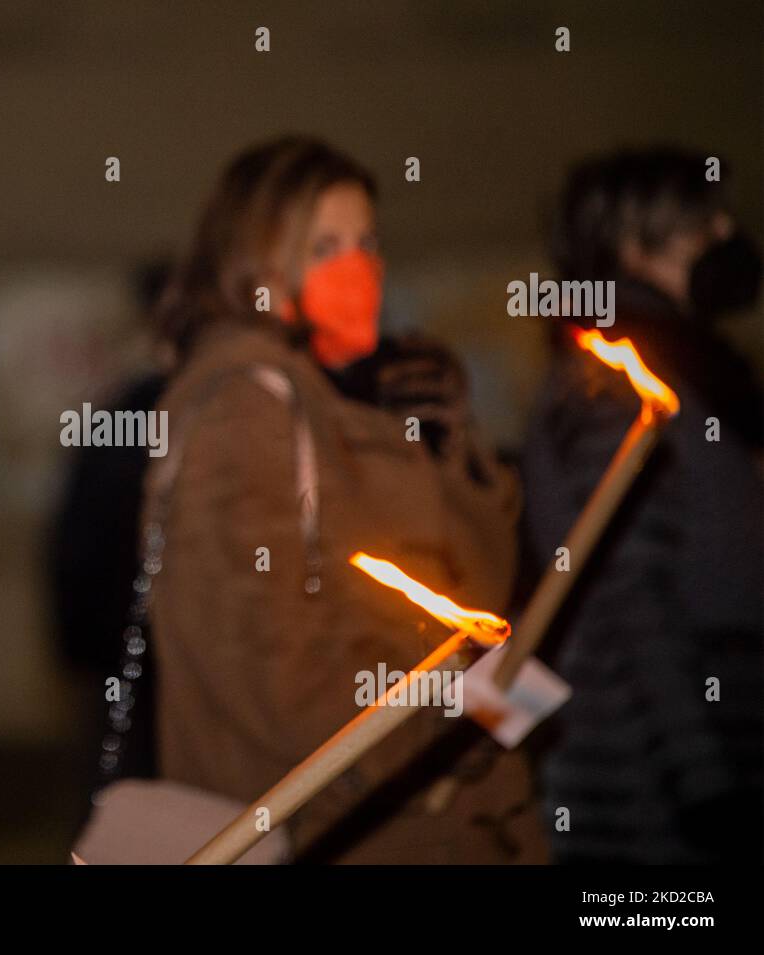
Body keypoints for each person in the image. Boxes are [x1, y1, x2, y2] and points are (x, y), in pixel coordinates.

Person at [145, 135, 546, 863]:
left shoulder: (344, 397)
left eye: (367, 240)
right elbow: (274, 668)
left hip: (425, 805)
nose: (357, 266)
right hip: (361, 825)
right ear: (253, 263)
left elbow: (474, 588)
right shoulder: (246, 404)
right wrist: (457, 729)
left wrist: (447, 444)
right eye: (324, 245)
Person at [523, 147, 763, 863]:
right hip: (654, 797)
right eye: (702, 222)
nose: (726, 235)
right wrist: (705, 786)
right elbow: (628, 601)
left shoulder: (689, 373)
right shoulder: (616, 386)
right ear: (633, 245)